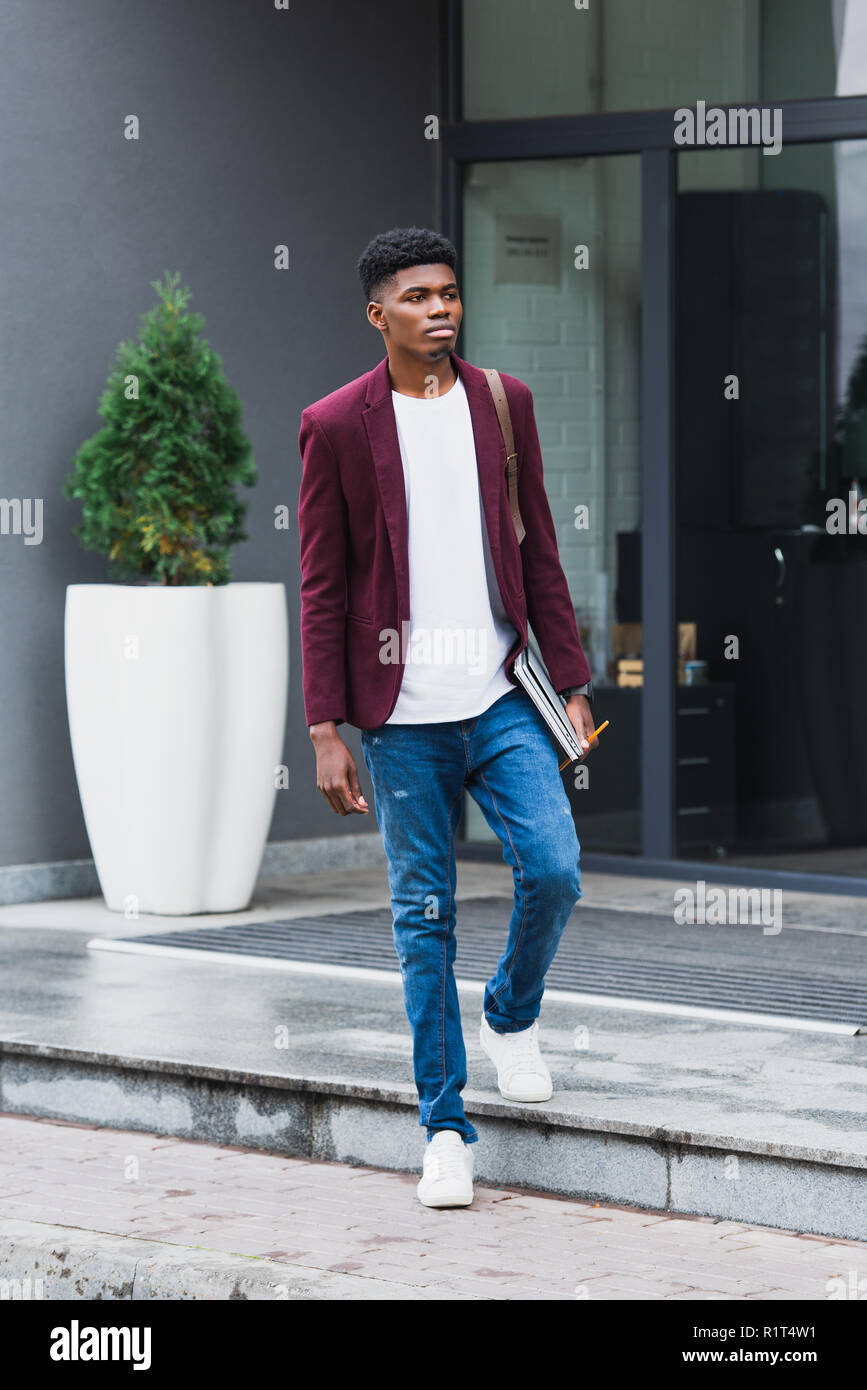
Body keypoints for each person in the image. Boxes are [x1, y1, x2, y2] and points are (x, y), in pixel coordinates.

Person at [297, 226, 597, 1208]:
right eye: (419, 296)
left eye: (451, 293)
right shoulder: (336, 424)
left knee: (553, 868)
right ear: (378, 313)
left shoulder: (503, 405)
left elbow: (540, 550)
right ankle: (444, 1127)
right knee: (423, 922)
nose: (442, 310)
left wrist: (577, 676)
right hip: (401, 721)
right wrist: (325, 725)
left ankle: (512, 1013)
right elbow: (323, 586)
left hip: (502, 693)